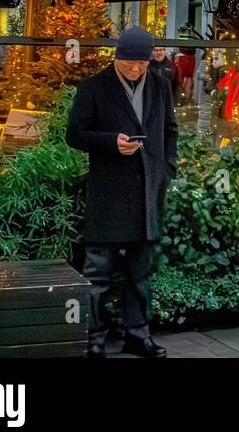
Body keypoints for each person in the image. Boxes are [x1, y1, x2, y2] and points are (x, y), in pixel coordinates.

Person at [67, 26, 179, 359]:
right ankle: (94, 337)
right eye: (129, 62)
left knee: (139, 274)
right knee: (97, 273)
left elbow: (170, 130)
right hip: (109, 193)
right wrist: (110, 142)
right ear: (117, 56)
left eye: (141, 63)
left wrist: (167, 169)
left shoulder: (160, 86)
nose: (135, 69)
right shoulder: (94, 87)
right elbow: (74, 135)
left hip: (148, 193)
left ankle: (138, 335)